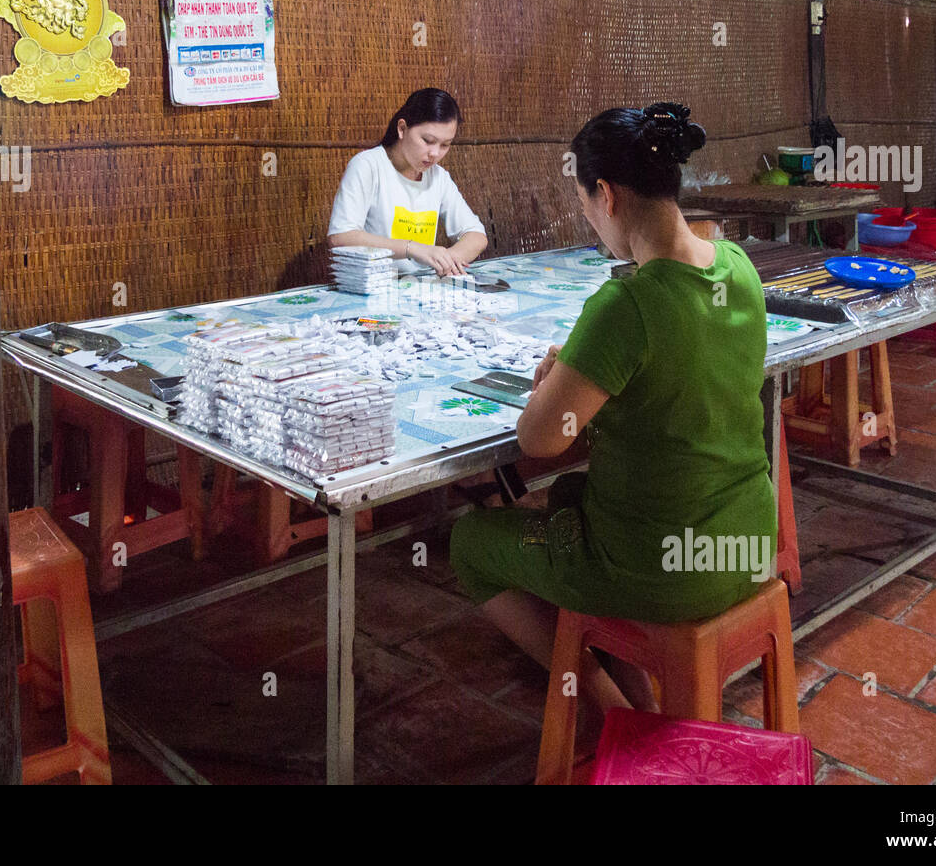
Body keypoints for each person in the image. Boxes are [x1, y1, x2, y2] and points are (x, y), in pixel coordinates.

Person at [449, 102, 777, 717]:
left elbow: (538, 441)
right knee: (571, 494)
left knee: (470, 541)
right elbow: (679, 387)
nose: (590, 223)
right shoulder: (737, 269)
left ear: (606, 194)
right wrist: (589, 380)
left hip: (665, 570)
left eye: (584, 206)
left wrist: (556, 387)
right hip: (748, 543)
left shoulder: (625, 305)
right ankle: (630, 686)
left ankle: (616, 715)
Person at [328, 88, 487, 277]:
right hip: (374, 286)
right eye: (428, 140)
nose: (435, 153)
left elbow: (477, 235)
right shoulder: (368, 166)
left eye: (445, 144)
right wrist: (412, 248)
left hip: (420, 287)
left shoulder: (439, 177)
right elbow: (341, 237)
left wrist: (446, 260)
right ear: (402, 129)